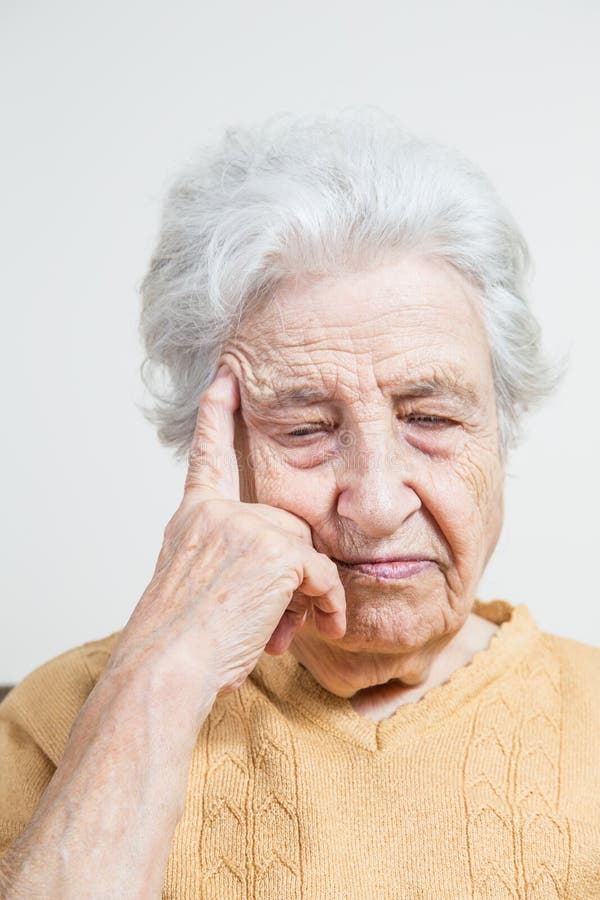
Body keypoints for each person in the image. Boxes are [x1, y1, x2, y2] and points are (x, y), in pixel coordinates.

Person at [1, 109, 599, 899]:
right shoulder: (61, 717)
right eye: (309, 428)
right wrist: (160, 679)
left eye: (430, 418)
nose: (379, 502)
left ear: (502, 425)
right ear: (215, 452)